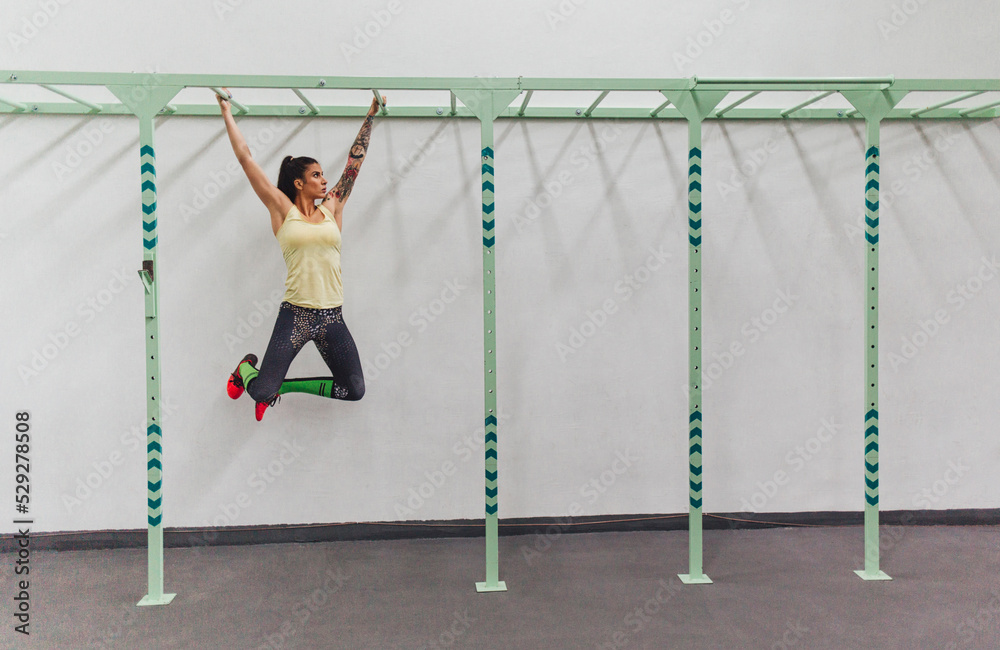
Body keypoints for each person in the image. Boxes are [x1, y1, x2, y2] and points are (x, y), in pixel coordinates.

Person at [218, 88, 384, 420]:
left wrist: (372, 115)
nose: (325, 181)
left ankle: (286, 386)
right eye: (316, 175)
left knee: (353, 390)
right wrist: (226, 111)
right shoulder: (282, 210)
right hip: (296, 316)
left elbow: (355, 160)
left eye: (324, 175)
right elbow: (246, 158)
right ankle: (245, 371)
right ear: (298, 183)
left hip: (332, 317)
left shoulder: (333, 206)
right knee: (261, 392)